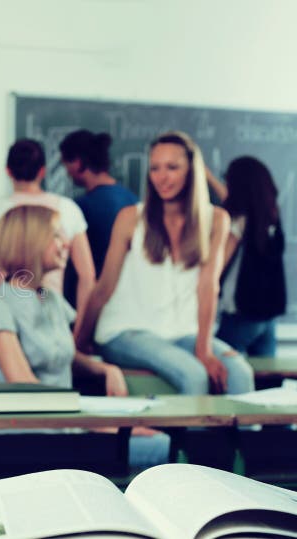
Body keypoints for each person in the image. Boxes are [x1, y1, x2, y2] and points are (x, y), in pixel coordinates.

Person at [0, 205, 168, 470]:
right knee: (161, 447)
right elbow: (24, 385)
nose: (65, 243)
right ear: (28, 242)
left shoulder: (51, 299)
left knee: (164, 442)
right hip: (33, 441)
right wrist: (105, 426)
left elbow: (61, 353)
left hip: (69, 431)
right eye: (55, 235)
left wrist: (104, 369)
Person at [77, 131, 254, 395]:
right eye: (155, 168)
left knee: (240, 373)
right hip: (126, 331)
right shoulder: (130, 217)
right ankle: (192, 439)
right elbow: (104, 287)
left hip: (181, 332)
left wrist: (204, 349)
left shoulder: (216, 219)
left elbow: (208, 287)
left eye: (172, 167)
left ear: (191, 171)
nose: (162, 177)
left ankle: (238, 438)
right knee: (193, 374)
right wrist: (79, 341)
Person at [0, 139, 96, 341]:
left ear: (8, 171)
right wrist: (79, 334)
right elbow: (87, 276)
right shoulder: (68, 210)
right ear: (43, 171)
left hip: (9, 321)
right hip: (52, 324)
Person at [208, 157, 286, 356]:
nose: (226, 184)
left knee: (219, 368)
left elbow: (218, 265)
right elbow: (229, 199)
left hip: (241, 315)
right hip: (267, 316)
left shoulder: (238, 221)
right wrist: (208, 176)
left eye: (228, 180)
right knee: (266, 382)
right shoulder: (270, 215)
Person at [59, 129, 138, 278]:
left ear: (77, 163)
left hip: (93, 292)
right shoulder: (133, 200)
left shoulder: (80, 208)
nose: (67, 173)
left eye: (66, 165)